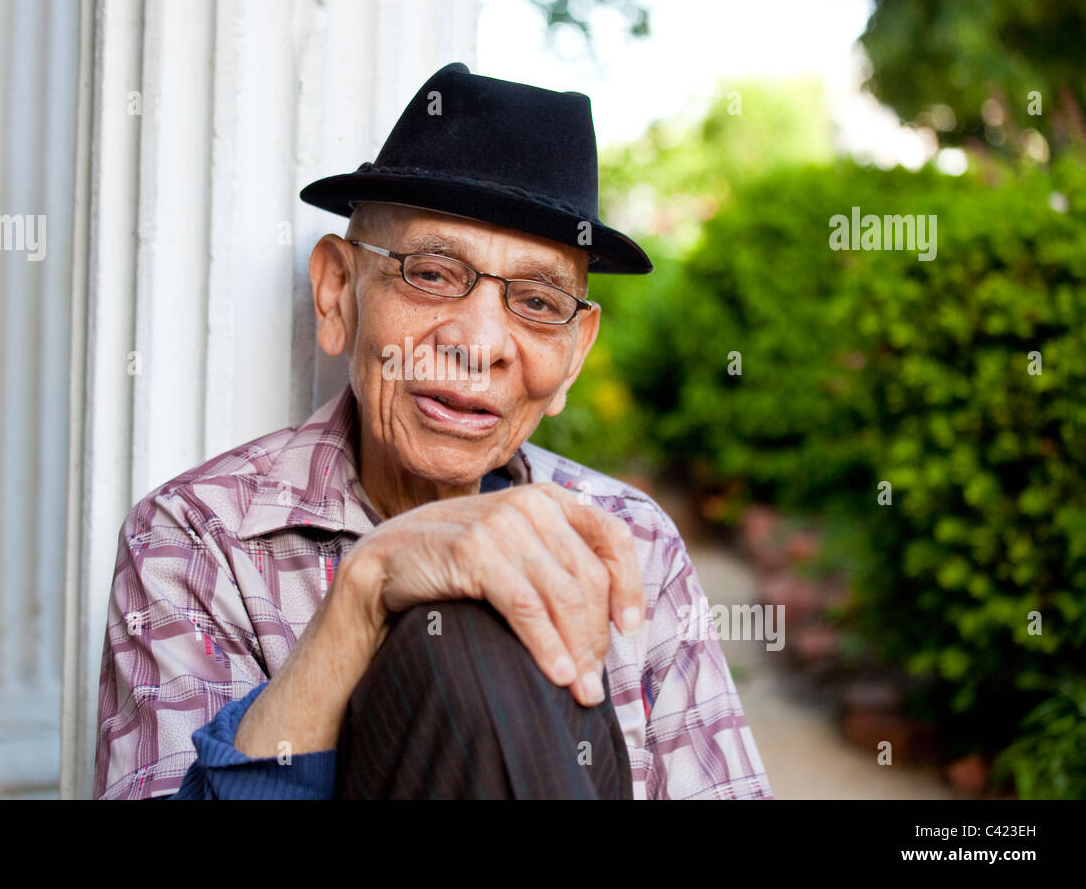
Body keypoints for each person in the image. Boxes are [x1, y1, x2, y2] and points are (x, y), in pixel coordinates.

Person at [93, 62, 773, 800]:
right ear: (337, 293)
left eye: (540, 301)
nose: (479, 343)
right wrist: (366, 590)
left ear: (574, 354)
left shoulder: (634, 541)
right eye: (432, 273)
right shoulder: (198, 538)